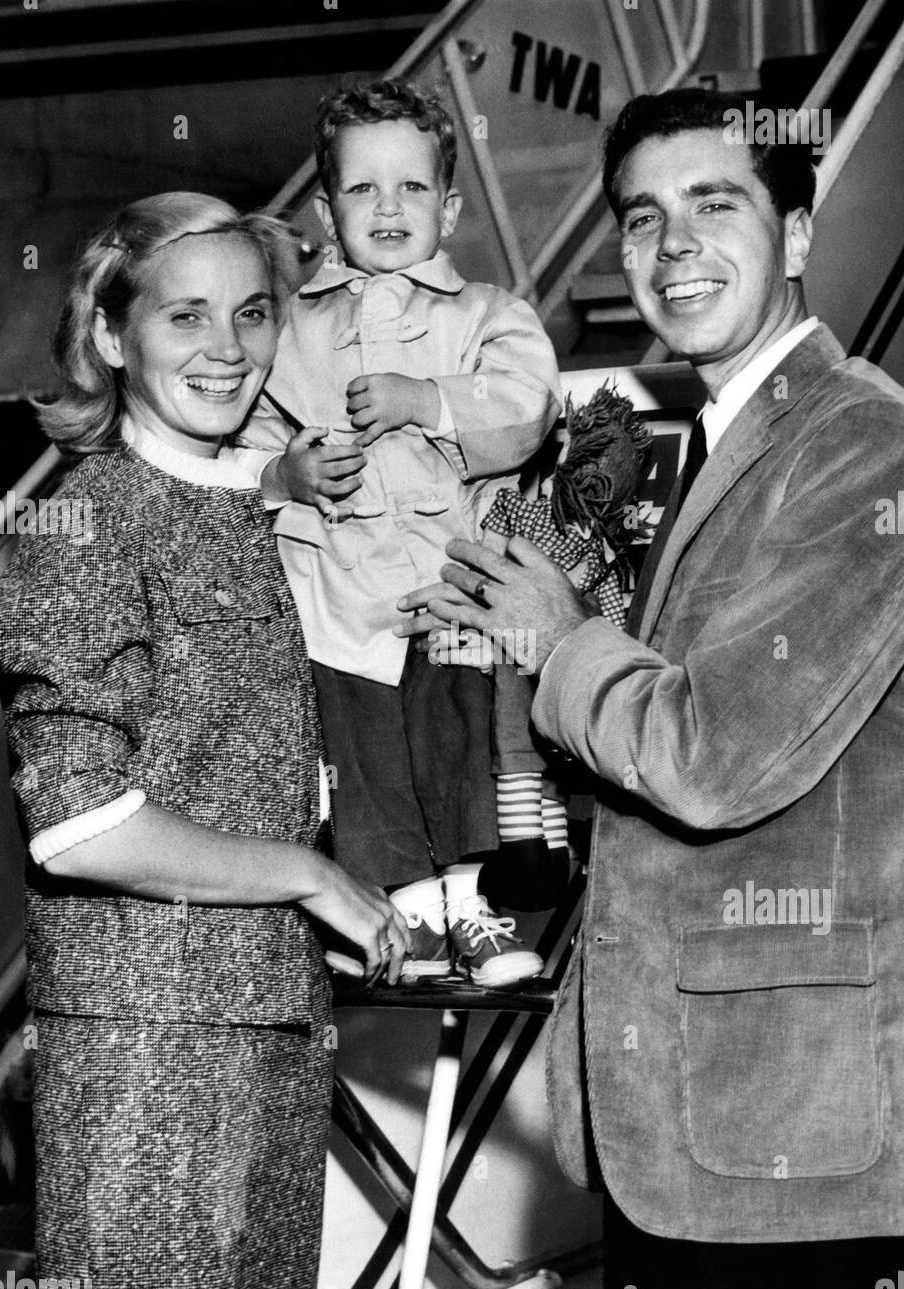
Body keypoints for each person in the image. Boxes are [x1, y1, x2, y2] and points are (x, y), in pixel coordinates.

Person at [395, 88, 904, 1289]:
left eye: (713, 204)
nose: (670, 248)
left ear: (800, 233)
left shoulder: (867, 444)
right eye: (639, 218)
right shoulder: (721, 441)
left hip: (795, 1144)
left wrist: (562, 642)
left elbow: (710, 757)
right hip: (701, 1123)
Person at [0, 191, 409, 1289]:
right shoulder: (87, 526)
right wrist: (314, 875)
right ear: (113, 338)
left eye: (253, 314)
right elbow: (80, 828)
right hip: (150, 1048)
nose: (228, 351)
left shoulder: (226, 504)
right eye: (186, 318)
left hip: (265, 1017)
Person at [248, 78, 563, 987]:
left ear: (451, 206)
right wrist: (287, 475)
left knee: (458, 741)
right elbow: (255, 443)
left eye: (412, 188)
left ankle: (477, 908)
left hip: (449, 586)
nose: (387, 208)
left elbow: (526, 412)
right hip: (338, 599)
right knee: (364, 762)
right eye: (360, 189)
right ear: (324, 208)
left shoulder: (488, 313)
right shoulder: (291, 328)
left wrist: (427, 401)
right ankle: (413, 920)